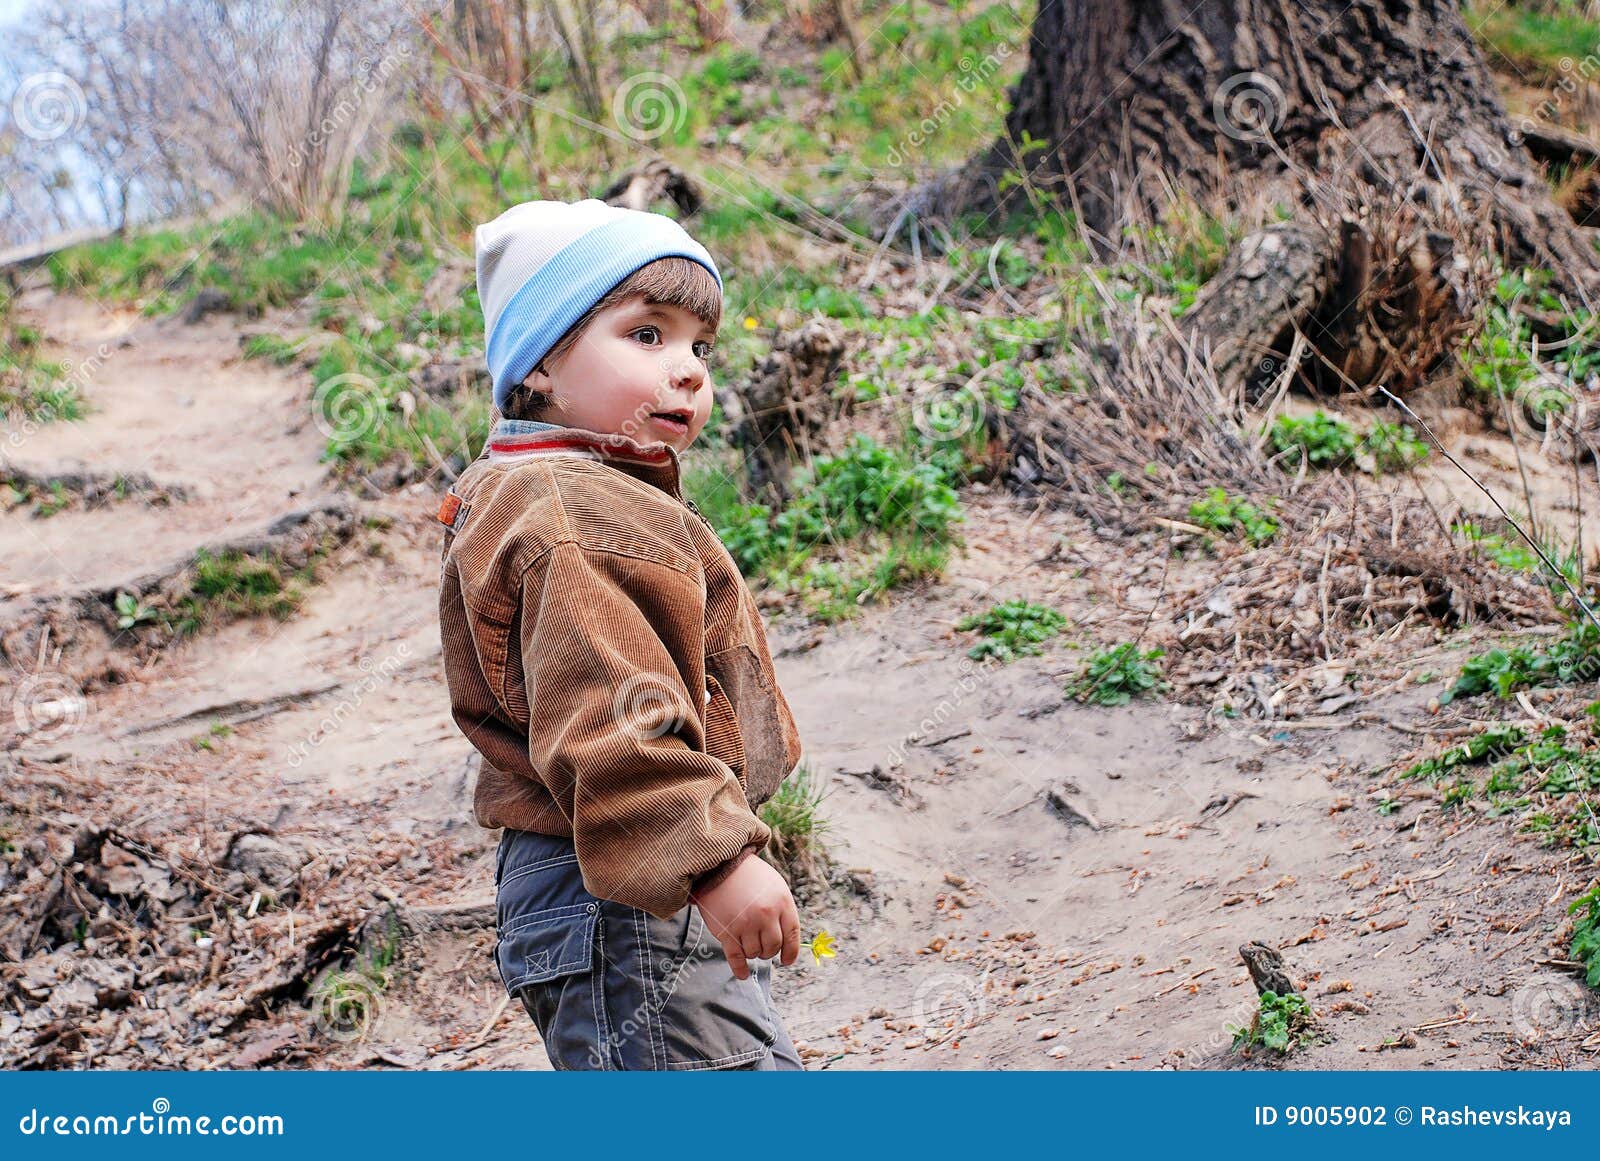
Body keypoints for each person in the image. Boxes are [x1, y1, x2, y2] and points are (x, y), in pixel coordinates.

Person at [437, 198, 807, 1070]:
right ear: (539, 366)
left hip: (627, 873)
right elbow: (611, 714)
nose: (686, 369)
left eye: (698, 346)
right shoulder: (567, 510)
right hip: (618, 889)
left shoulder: (579, 493)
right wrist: (714, 861)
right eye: (647, 335)